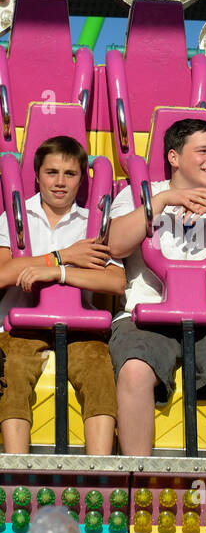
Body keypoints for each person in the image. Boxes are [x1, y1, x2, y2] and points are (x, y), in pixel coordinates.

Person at [106, 117, 206, 458]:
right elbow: (114, 245)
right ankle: (138, 481)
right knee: (134, 370)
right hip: (145, 315)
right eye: (202, 151)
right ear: (174, 157)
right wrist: (160, 203)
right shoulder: (138, 194)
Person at [0, 136, 124, 454]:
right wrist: (62, 255)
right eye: (51, 172)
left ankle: (100, 472)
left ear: (82, 179)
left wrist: (59, 273)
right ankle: (19, 468)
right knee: (11, 371)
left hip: (79, 326)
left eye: (69, 174)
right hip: (20, 326)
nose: (59, 182)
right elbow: (2, 274)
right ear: (37, 175)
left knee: (99, 372)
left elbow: (115, 282)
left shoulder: (93, 223)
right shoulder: (15, 219)